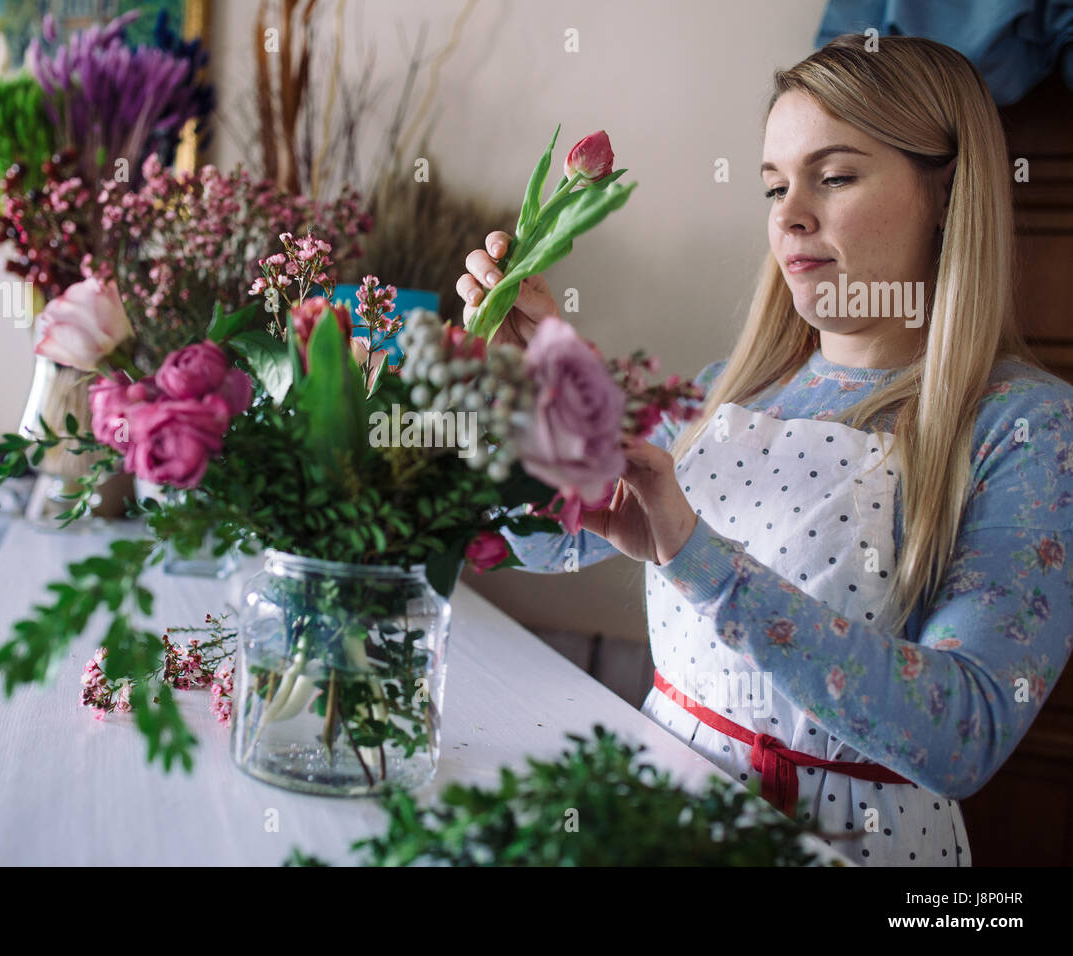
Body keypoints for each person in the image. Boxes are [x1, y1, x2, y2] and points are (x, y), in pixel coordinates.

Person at [454, 33, 1073, 867]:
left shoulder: (1028, 428)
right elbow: (520, 542)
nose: (789, 215)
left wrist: (696, 555)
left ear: (947, 193)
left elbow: (963, 734)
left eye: (836, 176)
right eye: (775, 185)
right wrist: (519, 399)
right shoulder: (723, 395)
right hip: (658, 821)